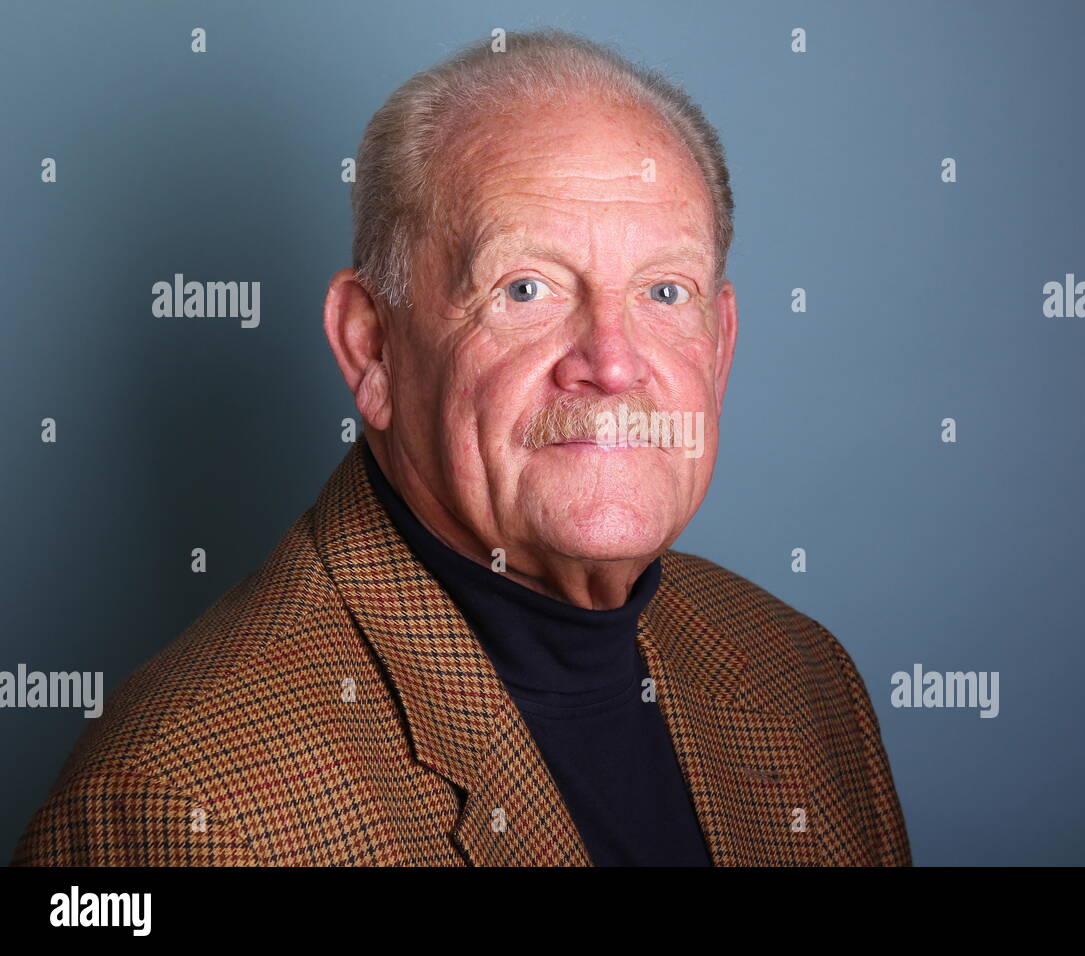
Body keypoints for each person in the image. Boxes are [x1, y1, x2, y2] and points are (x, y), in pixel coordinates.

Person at [12, 28, 910, 867]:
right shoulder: (181, 804)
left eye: (664, 293)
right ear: (373, 348)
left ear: (720, 346)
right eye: (526, 289)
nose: (612, 362)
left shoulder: (804, 678)